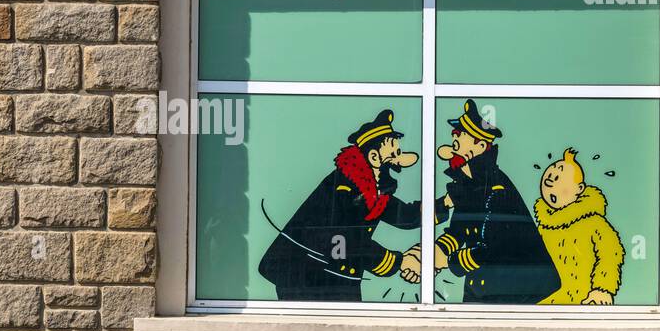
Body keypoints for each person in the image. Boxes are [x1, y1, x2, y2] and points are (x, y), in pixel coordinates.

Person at [258, 109, 447, 301]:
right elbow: (346, 237)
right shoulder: (346, 187)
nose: (401, 158)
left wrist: (447, 202)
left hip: (334, 274)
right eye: (395, 153)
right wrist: (400, 261)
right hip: (306, 273)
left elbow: (405, 216)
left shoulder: (373, 190)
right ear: (374, 157)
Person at [409, 99, 558, 304]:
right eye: (457, 133)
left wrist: (449, 261)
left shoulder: (496, 187)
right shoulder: (469, 183)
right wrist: (437, 251)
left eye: (462, 134)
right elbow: (459, 230)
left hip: (519, 288)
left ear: (479, 146)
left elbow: (495, 246)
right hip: (488, 284)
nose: (456, 136)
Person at [534, 148, 625, 305]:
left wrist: (602, 289)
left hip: (581, 303)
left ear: (579, 189)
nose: (551, 177)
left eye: (559, 176)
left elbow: (611, 254)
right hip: (544, 304)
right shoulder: (544, 226)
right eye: (551, 173)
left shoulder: (592, 222)